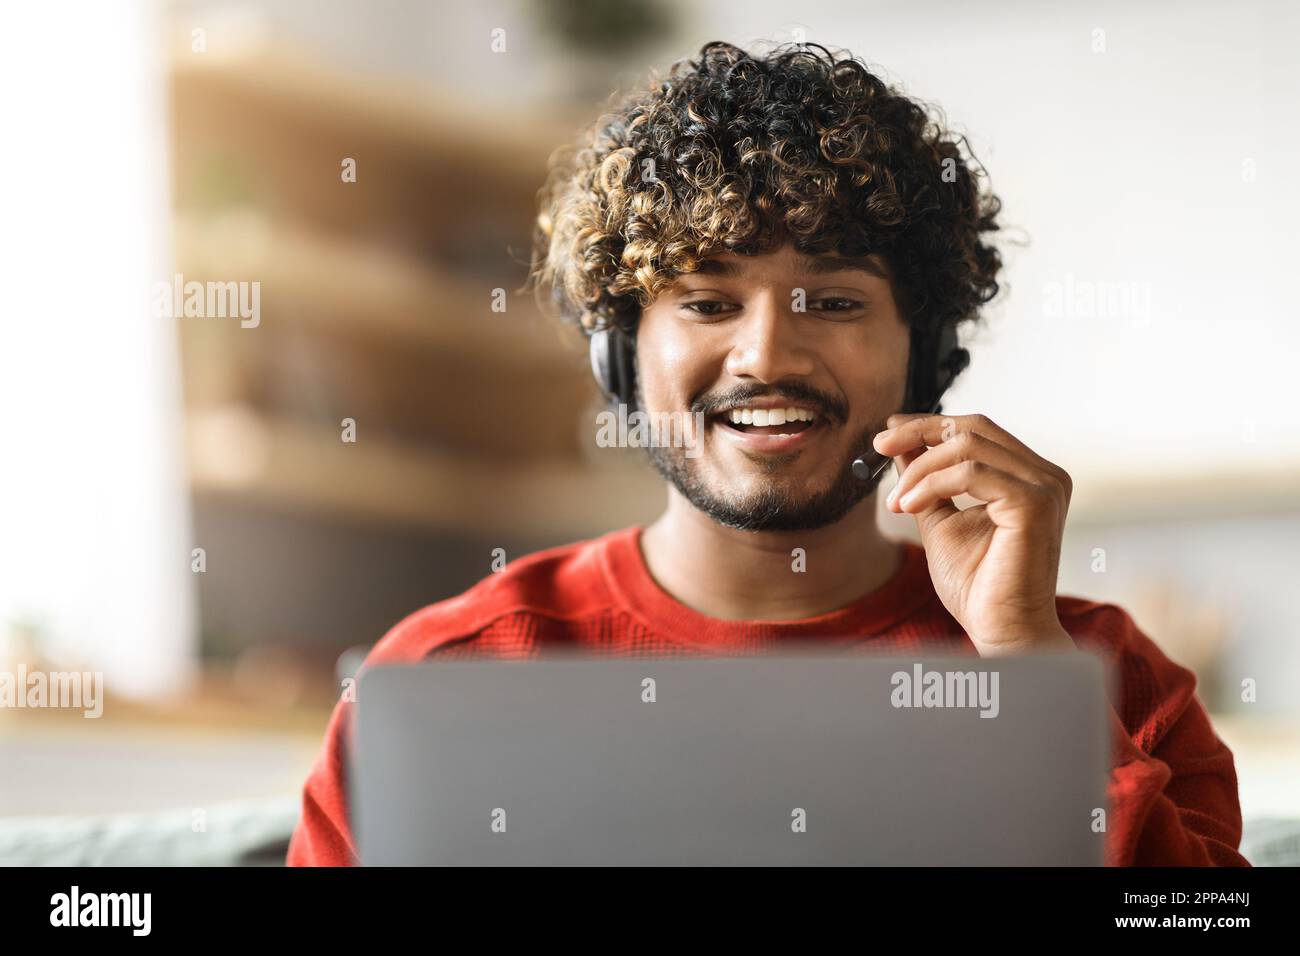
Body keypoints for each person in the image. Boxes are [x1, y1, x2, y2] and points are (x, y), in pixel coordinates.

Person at [288, 41, 1247, 867]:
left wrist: (1031, 678)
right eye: (707, 302)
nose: (768, 356)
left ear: (931, 355)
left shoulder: (1105, 679)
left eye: (833, 302)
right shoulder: (446, 678)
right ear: (620, 356)